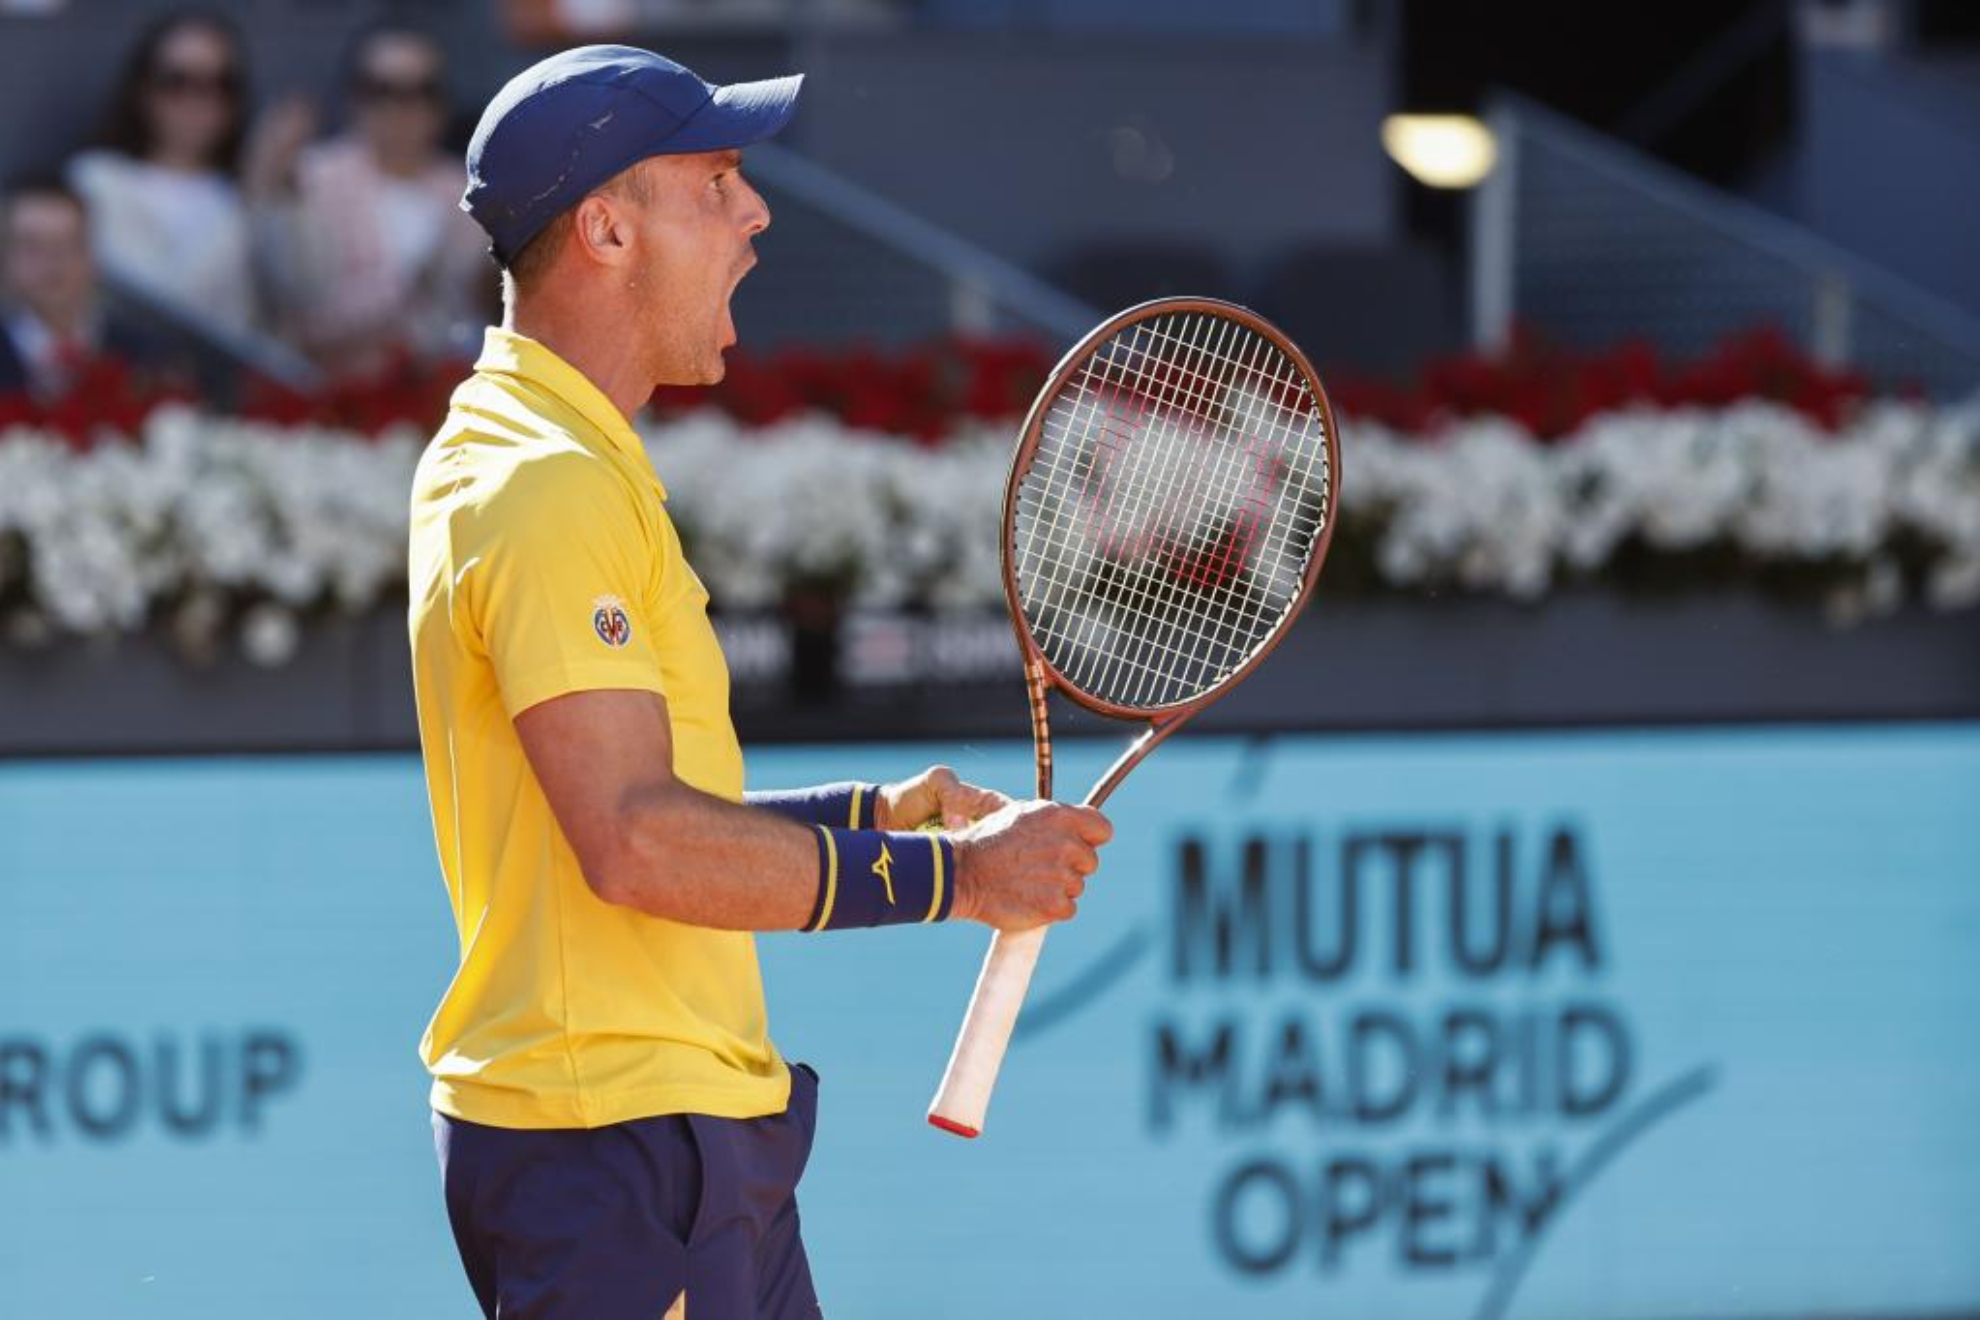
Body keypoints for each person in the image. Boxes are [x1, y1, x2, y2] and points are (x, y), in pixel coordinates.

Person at [407, 46, 1112, 1320]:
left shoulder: (560, 456)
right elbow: (633, 846)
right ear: (608, 229)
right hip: (615, 1142)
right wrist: (956, 883)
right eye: (718, 179)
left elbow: (637, 821)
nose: (758, 212)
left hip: (665, 1134)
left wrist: (874, 817)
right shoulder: (544, 484)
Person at [246, 21, 490, 373]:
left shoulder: (468, 189)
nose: (402, 108)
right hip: (326, 395)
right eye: (383, 90)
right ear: (355, 99)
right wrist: (269, 178)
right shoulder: (310, 177)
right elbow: (296, 293)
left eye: (420, 91)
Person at [67, 10, 260, 338]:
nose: (199, 100)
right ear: (143, 88)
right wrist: (252, 199)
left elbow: (307, 304)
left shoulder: (249, 190)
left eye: (221, 84)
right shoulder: (100, 179)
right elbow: (162, 309)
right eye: (178, 81)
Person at [0, 176, 162, 401]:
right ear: (7, 259)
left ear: (93, 256)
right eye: (32, 246)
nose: (52, 261)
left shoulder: (143, 357)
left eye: (68, 244)